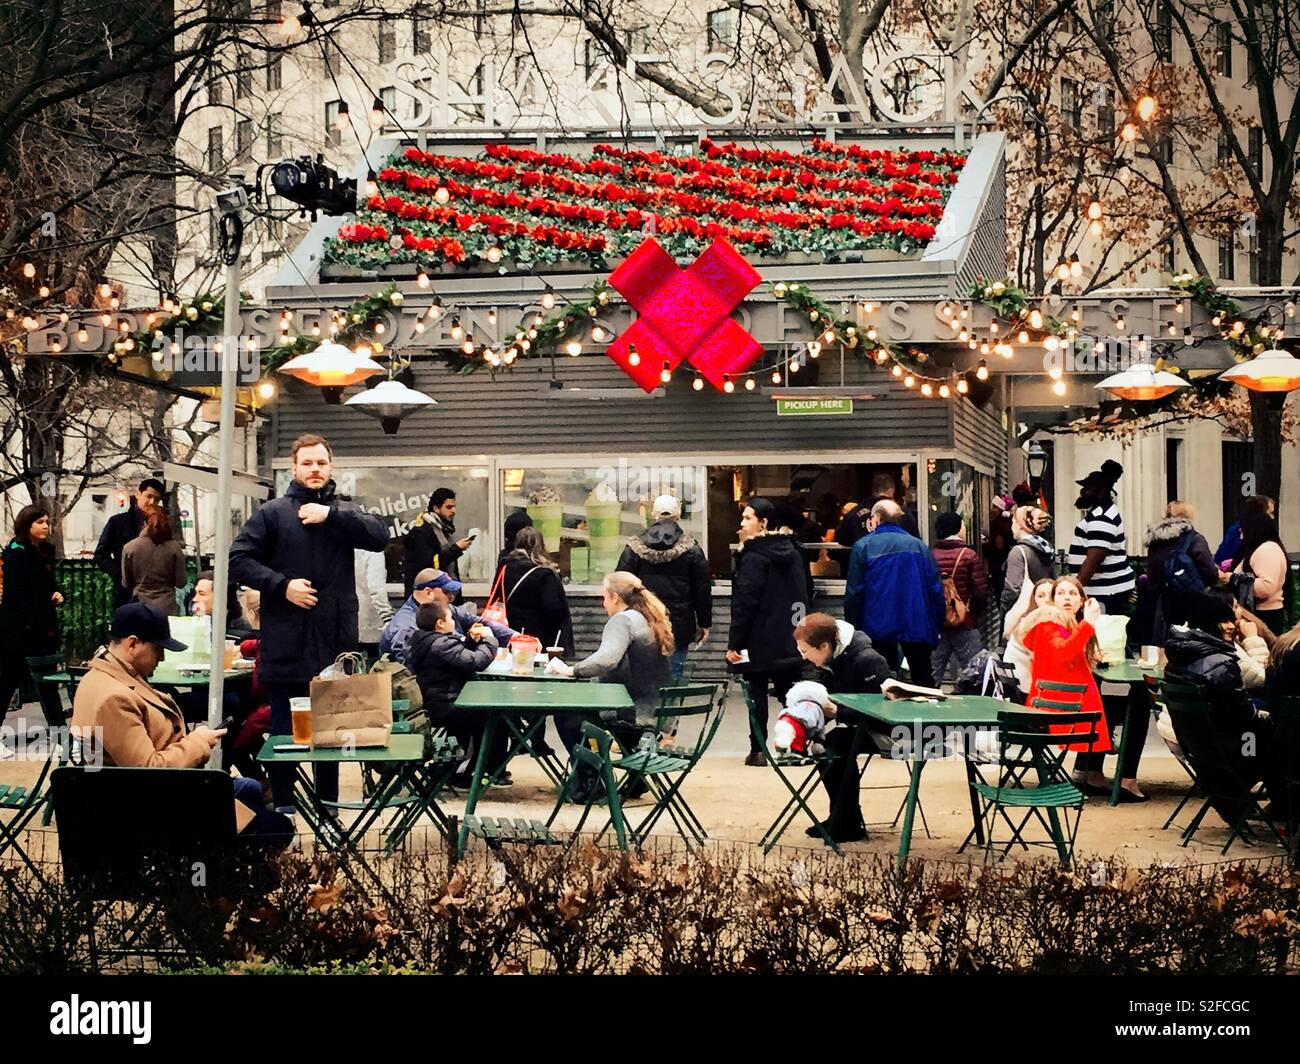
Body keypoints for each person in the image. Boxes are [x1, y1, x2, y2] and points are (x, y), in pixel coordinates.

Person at [229, 433, 389, 813]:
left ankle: (327, 807)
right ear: (294, 468)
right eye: (307, 463)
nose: (315, 469)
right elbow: (238, 559)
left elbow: (380, 536)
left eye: (321, 463)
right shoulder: (272, 513)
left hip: (335, 644)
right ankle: (284, 807)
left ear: (331, 467)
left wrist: (330, 515)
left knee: (330, 730)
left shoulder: (344, 512)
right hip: (286, 642)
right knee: (284, 731)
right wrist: (282, 586)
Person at [69, 603, 292, 848]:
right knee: (278, 828)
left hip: (147, 796)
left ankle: (226, 862)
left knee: (250, 789)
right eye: (158, 649)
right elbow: (148, 772)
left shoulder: (102, 677)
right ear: (132, 644)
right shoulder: (115, 697)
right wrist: (197, 742)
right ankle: (217, 867)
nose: (162, 658)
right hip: (153, 808)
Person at [1164, 591, 1285, 816]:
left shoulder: (1178, 658)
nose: (1231, 626)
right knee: (1282, 742)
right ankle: (1283, 808)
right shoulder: (1220, 663)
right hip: (1237, 751)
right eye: (1224, 621)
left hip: (1200, 749)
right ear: (1209, 624)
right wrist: (1271, 721)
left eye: (1231, 619)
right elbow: (1245, 716)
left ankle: (1252, 804)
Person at [547, 571, 674, 763]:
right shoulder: (648, 618)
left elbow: (606, 659)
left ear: (615, 597)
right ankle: (622, 774)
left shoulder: (623, 620)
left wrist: (572, 670)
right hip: (655, 710)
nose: (603, 604)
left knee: (567, 715)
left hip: (630, 712)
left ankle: (589, 774)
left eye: (605, 597)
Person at [726, 498, 814, 766]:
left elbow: (745, 602)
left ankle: (758, 749)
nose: (742, 523)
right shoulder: (794, 552)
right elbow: (804, 594)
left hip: (758, 637)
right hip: (789, 636)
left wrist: (735, 642)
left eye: (748, 517)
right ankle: (795, 746)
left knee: (757, 693)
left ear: (763, 523)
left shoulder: (754, 557)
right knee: (791, 694)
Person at [793, 612, 892, 844]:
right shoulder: (832, 659)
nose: (803, 657)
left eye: (806, 651)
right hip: (860, 727)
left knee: (836, 746)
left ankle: (847, 822)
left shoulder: (869, 661)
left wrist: (838, 712)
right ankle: (841, 817)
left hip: (891, 732)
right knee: (827, 744)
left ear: (824, 646)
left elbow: (883, 713)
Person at [843, 499, 944, 689]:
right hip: (917, 622)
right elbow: (935, 589)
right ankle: (928, 708)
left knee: (882, 680)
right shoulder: (919, 546)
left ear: (875, 519)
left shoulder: (863, 546)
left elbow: (855, 593)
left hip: (877, 624)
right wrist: (937, 622)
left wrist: (854, 626)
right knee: (923, 680)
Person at [614, 494, 711, 682]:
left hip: (642, 622)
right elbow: (702, 590)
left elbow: (621, 584)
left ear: (653, 515)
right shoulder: (692, 550)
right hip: (679, 625)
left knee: (642, 678)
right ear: (678, 515)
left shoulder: (634, 548)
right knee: (672, 679)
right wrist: (704, 623)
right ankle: (669, 701)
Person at [406, 600, 502, 788]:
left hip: (435, 701)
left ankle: (455, 769)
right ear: (440, 623)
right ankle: (469, 771)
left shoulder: (423, 639)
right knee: (492, 718)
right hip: (446, 704)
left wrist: (470, 640)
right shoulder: (441, 644)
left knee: (481, 717)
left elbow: (456, 657)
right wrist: (490, 640)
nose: (453, 621)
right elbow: (476, 662)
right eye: (450, 618)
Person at [0, 505, 65, 756]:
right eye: (40, 522)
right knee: (8, 683)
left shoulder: (46, 551)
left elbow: (49, 584)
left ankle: (62, 740)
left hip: (42, 629)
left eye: (47, 521)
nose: (45, 526)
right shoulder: (16, 553)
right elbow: (16, 596)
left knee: (48, 686)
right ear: (27, 525)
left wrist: (59, 594)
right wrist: (42, 605)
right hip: (19, 631)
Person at [379, 567, 514, 665]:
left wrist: (516, 637)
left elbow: (480, 622)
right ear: (428, 593)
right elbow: (409, 670)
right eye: (446, 592)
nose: (451, 597)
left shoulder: (444, 608)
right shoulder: (405, 627)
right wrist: (488, 640)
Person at [1143, 500, 1218, 646]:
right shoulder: (1194, 539)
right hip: (1192, 603)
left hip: (1163, 605)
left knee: (1164, 645)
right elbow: (1210, 574)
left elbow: (1152, 577)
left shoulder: (1155, 542)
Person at [1065, 460, 1135, 615]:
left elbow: (1093, 561)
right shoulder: (1101, 513)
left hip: (1104, 594)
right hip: (1104, 591)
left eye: (1087, 487)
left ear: (1100, 490)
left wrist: (1075, 591)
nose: (1082, 491)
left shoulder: (1102, 518)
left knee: (1100, 630)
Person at [930, 511, 990, 685]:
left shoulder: (929, 555)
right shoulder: (969, 555)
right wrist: (973, 615)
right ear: (957, 528)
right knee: (975, 674)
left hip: (937, 624)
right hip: (965, 622)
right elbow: (980, 592)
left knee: (932, 675)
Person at [494, 527, 573, 654]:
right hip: (538, 637)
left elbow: (496, 596)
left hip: (508, 632)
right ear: (541, 546)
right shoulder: (544, 573)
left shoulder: (504, 568)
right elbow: (552, 607)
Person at [94, 477, 165, 608]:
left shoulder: (162, 526)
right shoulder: (118, 522)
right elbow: (101, 555)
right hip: (126, 594)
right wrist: (120, 575)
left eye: (156, 499)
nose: (151, 502)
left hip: (155, 594)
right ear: (138, 495)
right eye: (148, 496)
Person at [403, 487, 474, 594]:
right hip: (427, 596)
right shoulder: (421, 532)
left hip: (444, 594)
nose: (453, 511)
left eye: (454, 507)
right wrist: (456, 549)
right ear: (436, 508)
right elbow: (430, 565)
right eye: (449, 507)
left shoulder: (443, 529)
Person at [1232, 507, 1290, 635]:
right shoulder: (1258, 548)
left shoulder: (1267, 550)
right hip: (1257, 613)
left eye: (1243, 526)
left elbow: (1266, 587)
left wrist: (1233, 579)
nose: (1240, 530)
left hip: (1265, 615)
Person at [122, 508, 187, 615]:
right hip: (167, 607)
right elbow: (181, 582)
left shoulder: (130, 547)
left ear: (144, 523)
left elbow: (126, 583)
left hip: (140, 607)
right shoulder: (174, 548)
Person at [835, 472, 920, 554]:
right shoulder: (903, 513)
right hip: (898, 561)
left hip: (866, 561)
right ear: (891, 490)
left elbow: (841, 538)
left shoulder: (855, 513)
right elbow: (914, 541)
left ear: (873, 490)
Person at [1001, 577, 1057, 697]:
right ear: (1034, 599)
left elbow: (1066, 636)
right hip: (1026, 685)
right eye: (1041, 596)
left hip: (1026, 680)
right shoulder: (1033, 621)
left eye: (1051, 595)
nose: (1047, 600)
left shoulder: (1051, 618)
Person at [999, 505, 1055, 615]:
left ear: (1020, 526)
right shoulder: (1046, 548)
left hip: (1024, 614)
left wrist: (1004, 611)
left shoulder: (1018, 552)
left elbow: (1013, 588)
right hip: (1044, 609)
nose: (1011, 528)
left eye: (1013, 523)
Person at [354, 547, 392, 659]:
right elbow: (376, 587)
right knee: (374, 663)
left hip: (347, 620)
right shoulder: (374, 552)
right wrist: (387, 617)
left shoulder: (343, 547)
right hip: (370, 621)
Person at [1214, 494, 1274, 566]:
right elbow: (1221, 560)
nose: (1272, 517)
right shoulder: (1236, 531)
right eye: (1270, 513)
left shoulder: (1266, 533)